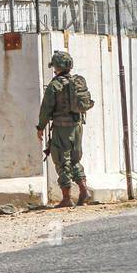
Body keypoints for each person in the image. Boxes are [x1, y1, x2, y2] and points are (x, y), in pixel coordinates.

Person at [36, 50, 93, 208]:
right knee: (74, 160)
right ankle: (83, 190)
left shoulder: (55, 84)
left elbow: (46, 109)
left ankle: (67, 198)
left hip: (62, 128)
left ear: (57, 66)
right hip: (77, 126)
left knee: (62, 160)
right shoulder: (77, 82)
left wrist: (41, 127)